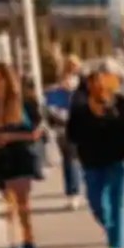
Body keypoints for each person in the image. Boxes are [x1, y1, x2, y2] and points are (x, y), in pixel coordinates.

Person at [68, 59, 124, 248]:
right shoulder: (80, 104)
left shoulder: (120, 102)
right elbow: (72, 133)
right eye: (95, 81)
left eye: (104, 81)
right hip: (91, 160)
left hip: (117, 158)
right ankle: (111, 230)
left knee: (116, 203)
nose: (100, 85)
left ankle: (117, 247)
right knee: (97, 203)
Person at [0, 61, 43, 248]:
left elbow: (35, 132)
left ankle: (26, 246)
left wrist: (9, 136)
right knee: (9, 206)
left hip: (22, 156)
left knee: (21, 205)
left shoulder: (23, 99)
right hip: (0, 159)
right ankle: (17, 247)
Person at [44, 54, 85, 209]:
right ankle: (74, 192)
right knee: (73, 160)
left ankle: (73, 192)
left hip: (65, 126)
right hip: (69, 127)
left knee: (70, 160)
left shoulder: (64, 86)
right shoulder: (74, 84)